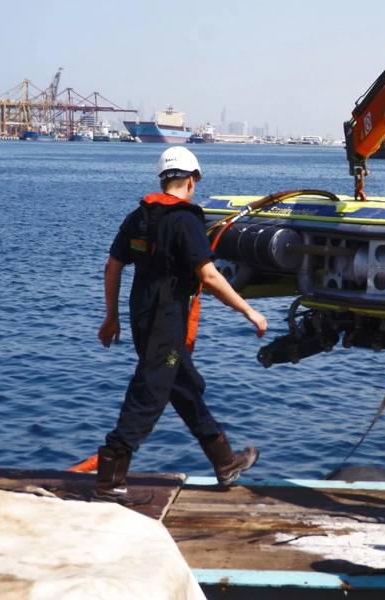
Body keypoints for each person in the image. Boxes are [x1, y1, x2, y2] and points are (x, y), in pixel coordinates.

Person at [95, 146, 268, 502]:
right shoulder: (187, 220)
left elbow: (113, 266)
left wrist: (111, 316)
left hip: (141, 315)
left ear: (163, 179)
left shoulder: (139, 217)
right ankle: (110, 478)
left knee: (184, 386)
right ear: (191, 181)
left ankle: (225, 462)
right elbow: (208, 275)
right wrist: (248, 311)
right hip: (167, 319)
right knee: (150, 392)